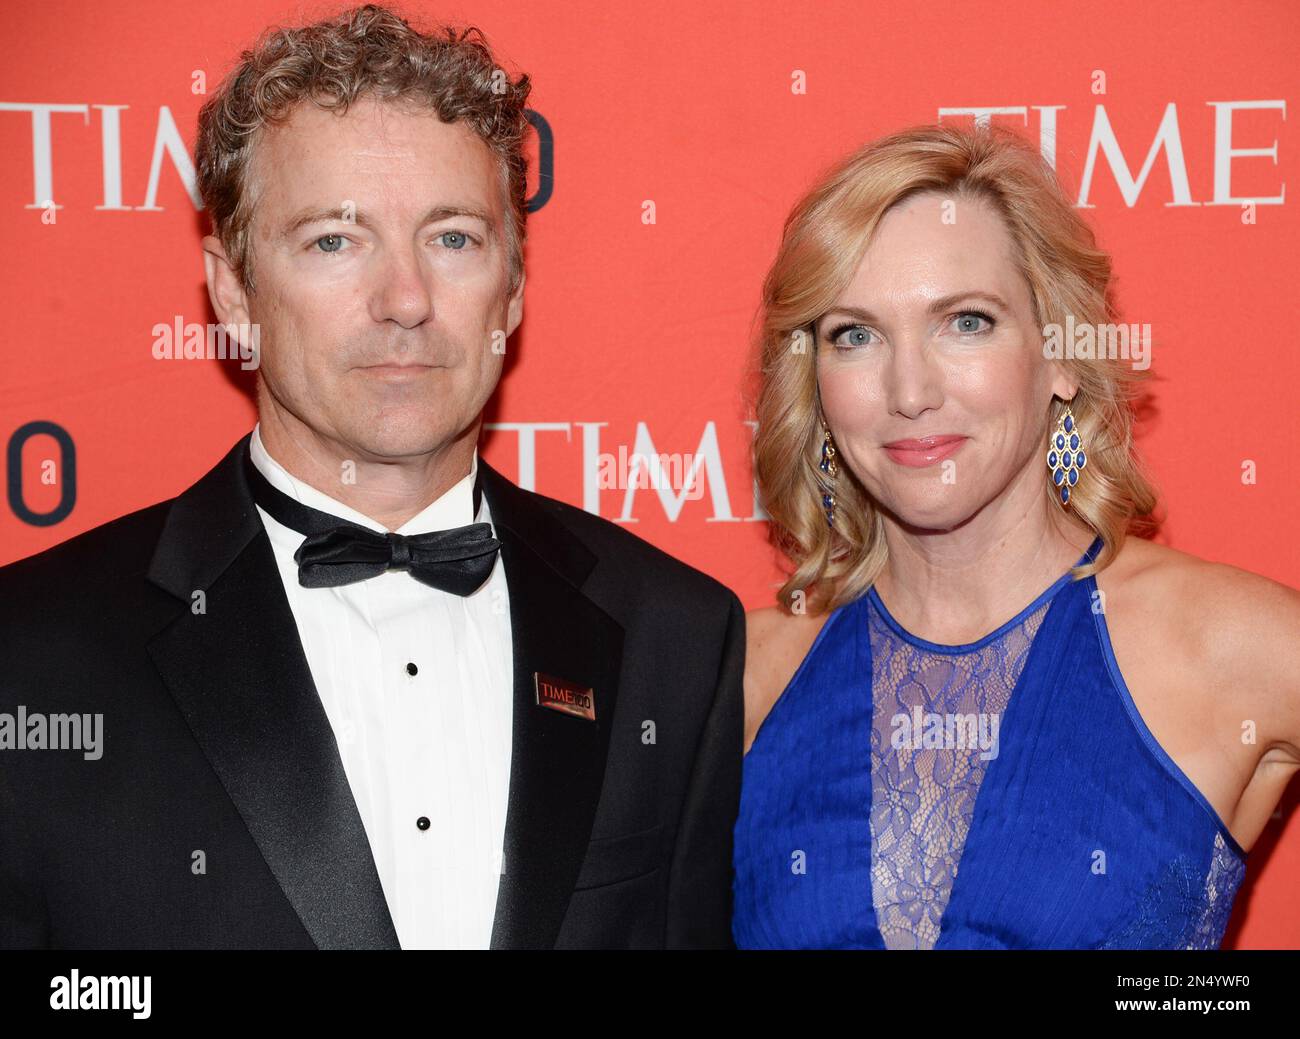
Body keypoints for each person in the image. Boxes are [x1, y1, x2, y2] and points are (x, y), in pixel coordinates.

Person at [0, 4, 742, 950]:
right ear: (234, 293)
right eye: (335, 242)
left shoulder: (672, 638)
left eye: (453, 238)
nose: (405, 301)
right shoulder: (32, 656)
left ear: (512, 284)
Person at [734, 123, 1300, 949]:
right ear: (815, 384)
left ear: (1061, 355)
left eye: (966, 322)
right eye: (854, 334)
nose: (911, 390)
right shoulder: (745, 679)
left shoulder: (1232, 647)